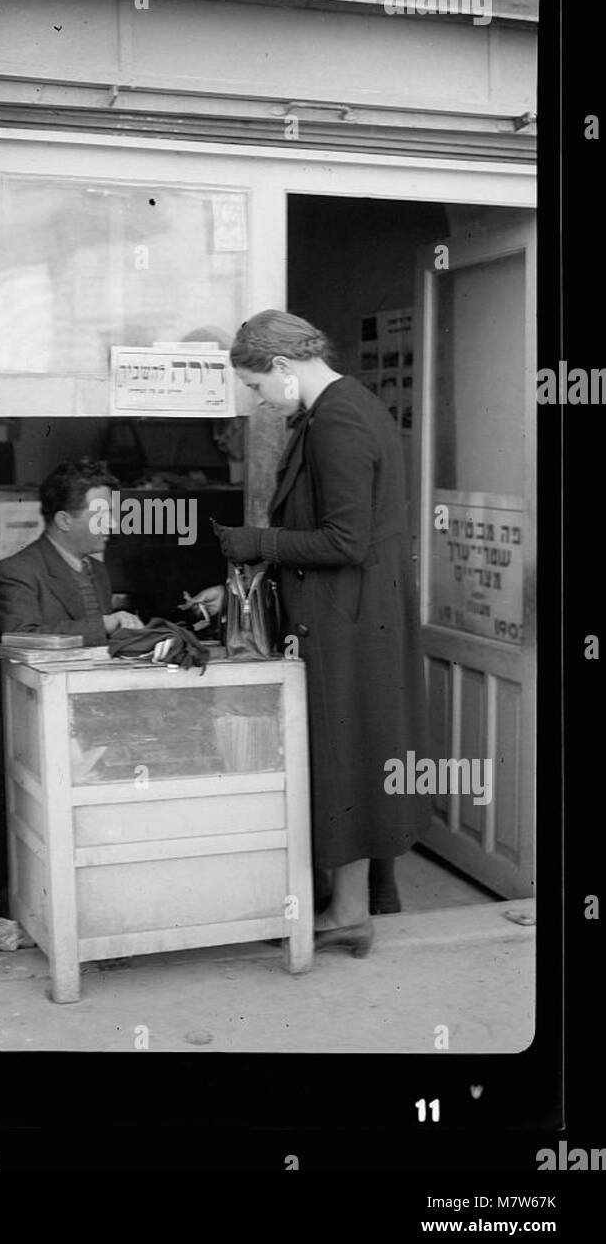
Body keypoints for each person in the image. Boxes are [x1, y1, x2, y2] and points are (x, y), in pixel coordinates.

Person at [192, 310, 431, 957]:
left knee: (343, 756)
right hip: (352, 615)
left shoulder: (337, 420)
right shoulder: (343, 409)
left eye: (255, 386)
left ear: (281, 367)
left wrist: (253, 542)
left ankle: (350, 911)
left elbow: (344, 541)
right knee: (347, 755)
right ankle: (352, 903)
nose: (257, 401)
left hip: (347, 621)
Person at [0, 459, 144, 644]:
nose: (112, 524)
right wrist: (102, 625)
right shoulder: (15, 572)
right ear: (64, 521)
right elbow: (18, 637)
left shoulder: (98, 570)